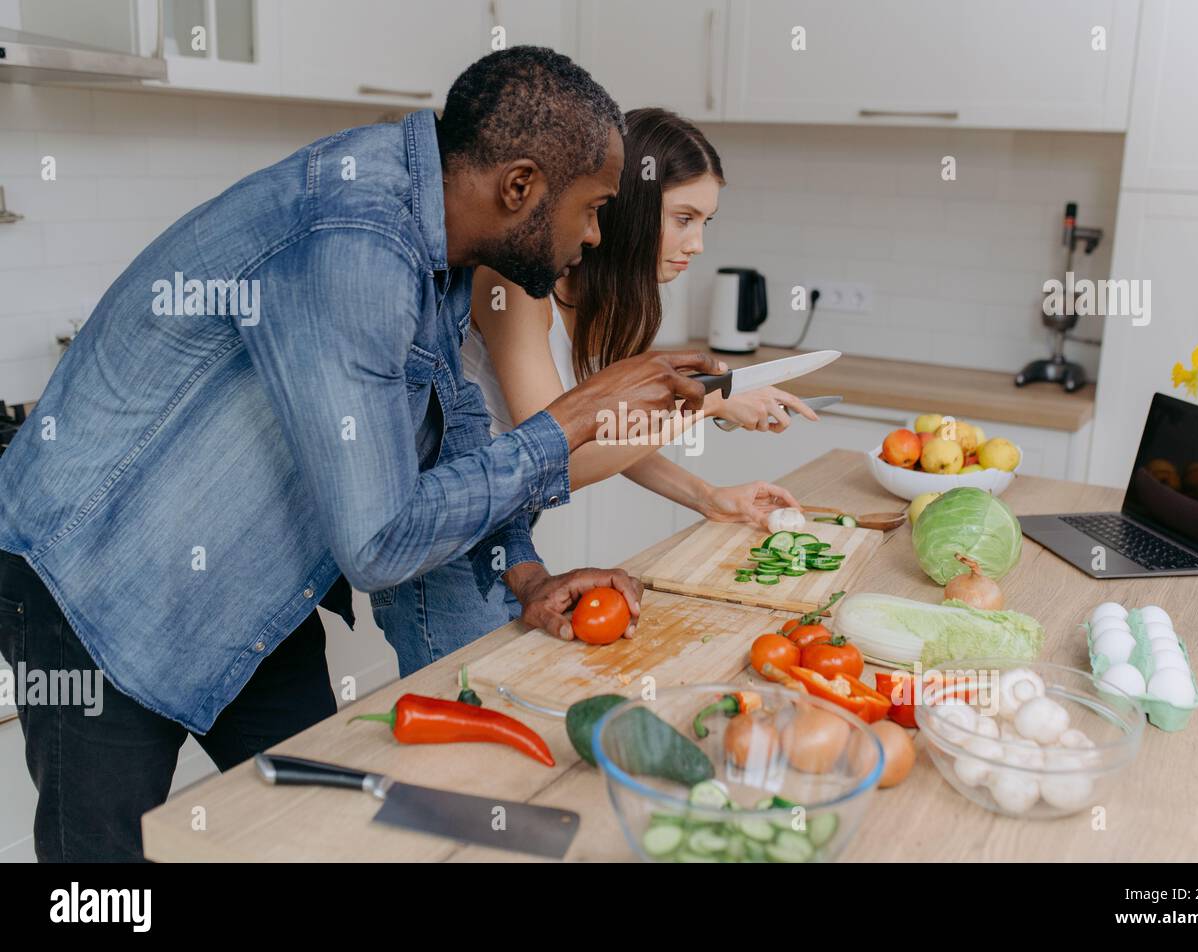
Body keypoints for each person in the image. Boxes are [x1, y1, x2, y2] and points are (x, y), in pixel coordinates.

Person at [0, 46, 725, 862]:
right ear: (520, 186)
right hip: (95, 586)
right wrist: (575, 417)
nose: (596, 234)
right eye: (591, 208)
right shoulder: (356, 244)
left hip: (246, 585)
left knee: (321, 823)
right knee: (102, 877)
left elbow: (447, 426)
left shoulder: (438, 233)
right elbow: (380, 540)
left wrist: (526, 574)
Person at [375, 108, 815, 676]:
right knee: (469, 705)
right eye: (683, 218)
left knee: (503, 691)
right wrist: (704, 403)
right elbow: (557, 452)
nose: (697, 243)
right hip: (444, 543)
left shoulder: (598, 298)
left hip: (505, 532)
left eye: (707, 222)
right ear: (627, 210)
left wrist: (709, 496)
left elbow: (603, 431)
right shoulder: (519, 285)